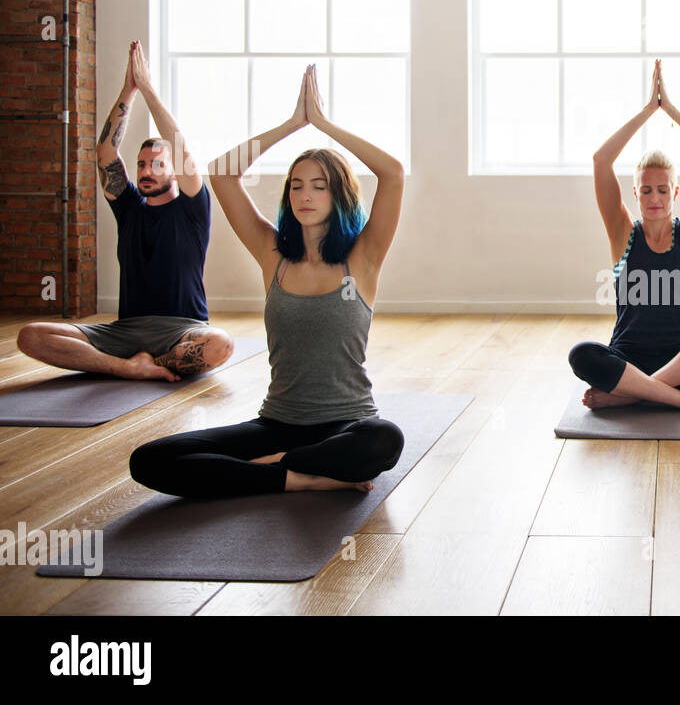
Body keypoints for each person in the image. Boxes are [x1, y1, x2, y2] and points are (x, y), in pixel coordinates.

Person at [129, 65, 404, 498]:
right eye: (296, 186)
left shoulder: (363, 259)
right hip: (277, 424)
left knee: (385, 440)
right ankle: (296, 476)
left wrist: (324, 125)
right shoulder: (272, 254)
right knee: (147, 460)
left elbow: (392, 173)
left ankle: (267, 471)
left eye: (319, 186)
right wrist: (292, 124)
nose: (305, 195)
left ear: (339, 195)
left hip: (346, 424)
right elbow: (221, 174)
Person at [17, 41, 233, 382]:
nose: (146, 171)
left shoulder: (193, 210)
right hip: (123, 332)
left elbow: (179, 145)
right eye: (141, 165)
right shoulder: (130, 208)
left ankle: (150, 363)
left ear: (174, 170)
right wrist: (127, 90)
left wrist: (147, 89)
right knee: (30, 335)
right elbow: (105, 152)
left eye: (157, 165)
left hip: (182, 331)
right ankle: (130, 368)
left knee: (220, 345)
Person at [568, 60, 680, 412]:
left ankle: (638, 395)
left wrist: (672, 111)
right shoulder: (623, 233)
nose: (654, 198)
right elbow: (601, 161)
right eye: (646, 190)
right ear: (634, 194)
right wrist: (649, 110)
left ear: (675, 192)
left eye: (662, 190)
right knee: (581, 355)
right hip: (627, 363)